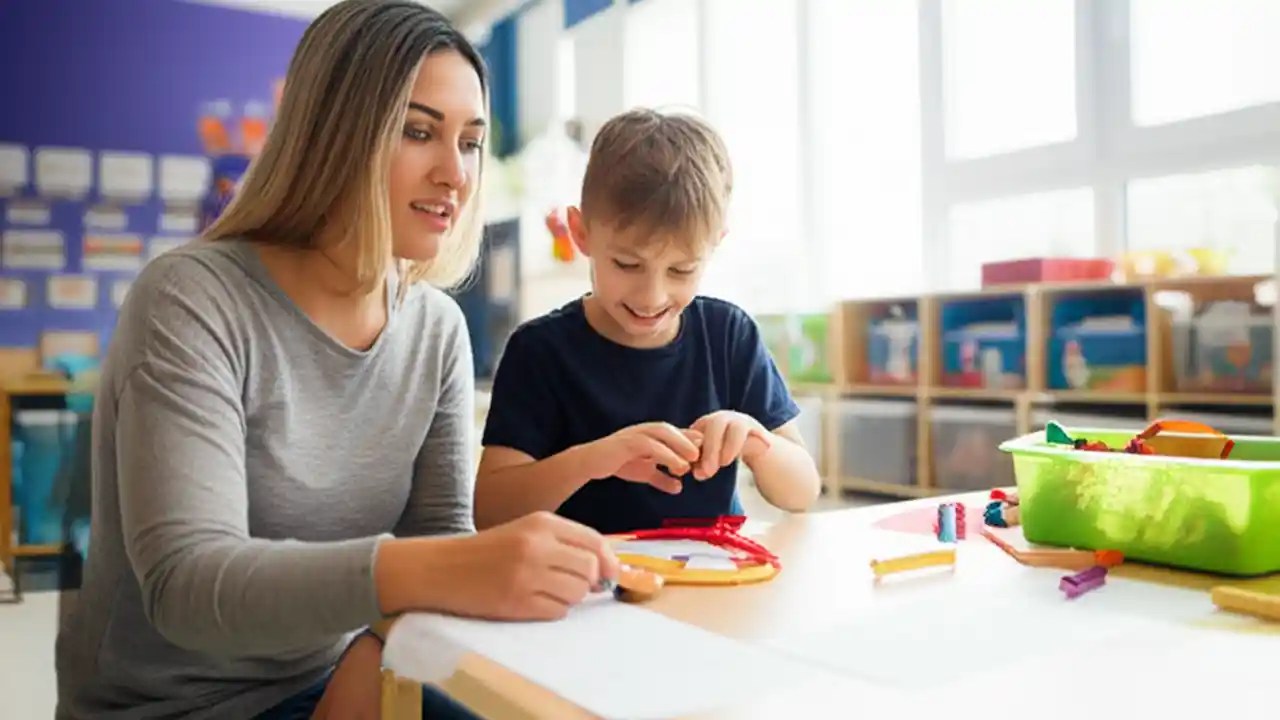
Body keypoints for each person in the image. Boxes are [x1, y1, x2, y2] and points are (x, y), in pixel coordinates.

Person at [54, 2, 619, 718]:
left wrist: (374, 650)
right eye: (419, 132)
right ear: (334, 135)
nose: (456, 173)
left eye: (471, 141)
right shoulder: (191, 298)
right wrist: (452, 572)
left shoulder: (436, 329)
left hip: (348, 674)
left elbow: (437, 544)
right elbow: (187, 587)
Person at [475, 108, 823, 536]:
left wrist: (758, 442)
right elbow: (490, 512)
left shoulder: (728, 334)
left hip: (711, 579)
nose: (652, 297)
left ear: (714, 245)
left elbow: (804, 492)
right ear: (581, 233)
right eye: (626, 264)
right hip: (590, 586)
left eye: (681, 271)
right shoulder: (539, 351)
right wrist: (593, 460)